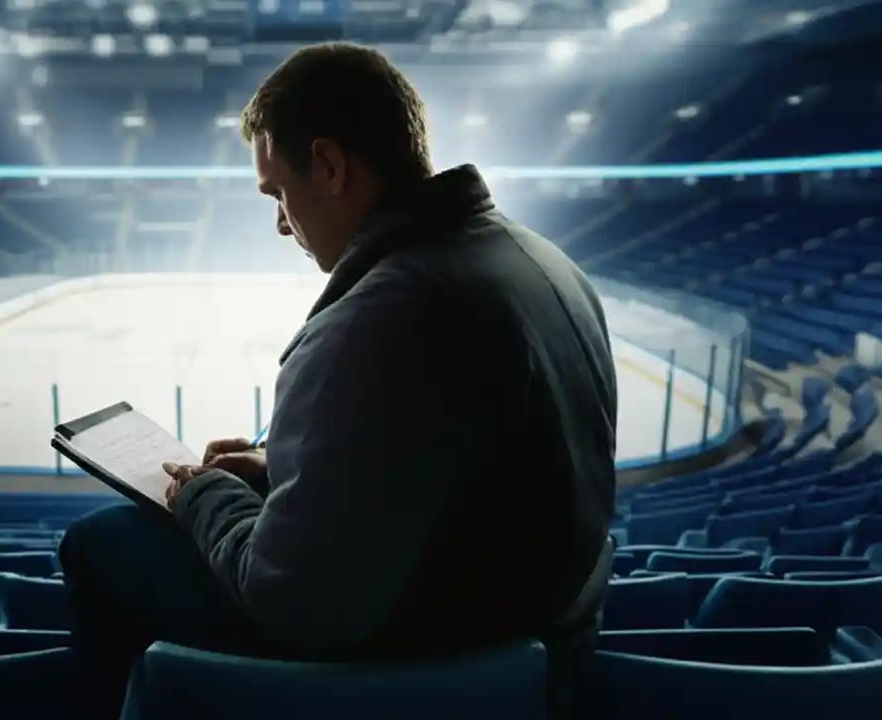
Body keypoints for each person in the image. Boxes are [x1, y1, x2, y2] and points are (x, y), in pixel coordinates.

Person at [59, 42, 617, 718]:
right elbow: (451, 454)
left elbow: (291, 599)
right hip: (541, 630)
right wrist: (277, 470)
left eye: (278, 192)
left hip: (434, 657)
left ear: (328, 165)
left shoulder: (378, 318)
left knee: (98, 543)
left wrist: (202, 495)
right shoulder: (544, 261)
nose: (280, 222)